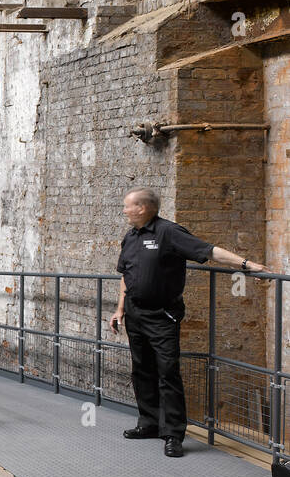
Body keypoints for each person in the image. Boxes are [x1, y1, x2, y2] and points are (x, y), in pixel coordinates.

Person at [111, 186, 267, 457]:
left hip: (162, 316)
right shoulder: (131, 236)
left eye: (127, 206)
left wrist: (246, 264)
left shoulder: (169, 232)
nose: (124, 211)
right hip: (135, 314)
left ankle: (172, 434)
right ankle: (149, 423)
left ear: (142, 208)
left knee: (168, 372)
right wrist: (120, 309)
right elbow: (126, 274)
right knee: (142, 370)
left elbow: (209, 251)